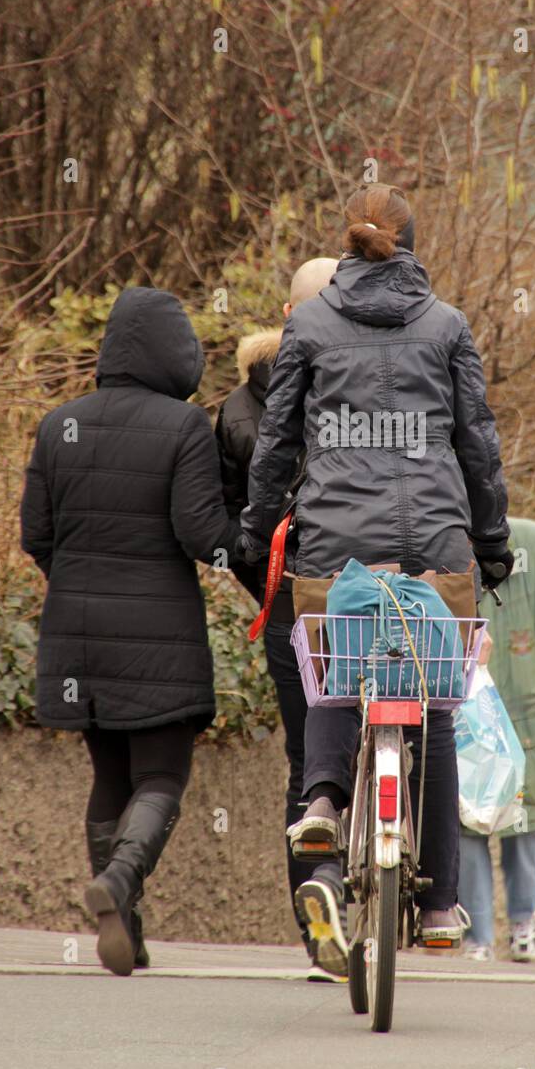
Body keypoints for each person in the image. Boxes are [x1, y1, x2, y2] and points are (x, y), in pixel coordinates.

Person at [234, 183, 512, 976]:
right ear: (411, 245)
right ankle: (439, 904)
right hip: (436, 542)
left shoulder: (311, 324)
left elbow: (276, 443)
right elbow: (478, 446)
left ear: (347, 244)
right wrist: (490, 545)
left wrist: (256, 531)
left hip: (334, 541)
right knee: (436, 707)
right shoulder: (448, 325)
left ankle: (324, 803)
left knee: (336, 679)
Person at [20, 287, 236, 977]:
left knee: (110, 774)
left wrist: (77, 582)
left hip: (74, 633)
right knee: (162, 774)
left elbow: (36, 536)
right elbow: (201, 535)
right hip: (160, 631)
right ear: (176, 353)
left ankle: (127, 929)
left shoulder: (60, 424)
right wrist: (252, 541)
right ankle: (118, 882)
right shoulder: (184, 426)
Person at [215, 257, 339, 980]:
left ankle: (320, 924)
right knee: (380, 736)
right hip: (364, 591)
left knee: (307, 759)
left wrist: (268, 585)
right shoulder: (379, 382)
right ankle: (372, 888)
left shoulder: (237, 407)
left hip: (291, 597)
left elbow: (237, 526)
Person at [459, 517, 535, 962]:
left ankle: (477, 939)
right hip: (533, 708)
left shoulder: (445, 538)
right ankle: (524, 925)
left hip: (465, 704)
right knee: (528, 818)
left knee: (467, 820)